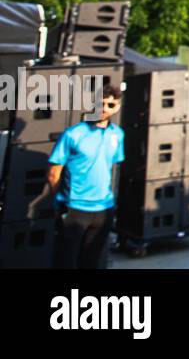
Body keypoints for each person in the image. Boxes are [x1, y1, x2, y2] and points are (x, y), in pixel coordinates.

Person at [47, 84, 124, 269]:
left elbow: (110, 166)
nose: (105, 108)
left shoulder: (117, 134)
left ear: (118, 107)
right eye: (102, 103)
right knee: (66, 261)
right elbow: (53, 173)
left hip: (103, 208)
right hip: (75, 208)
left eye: (111, 105)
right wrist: (59, 203)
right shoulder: (73, 134)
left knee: (92, 262)